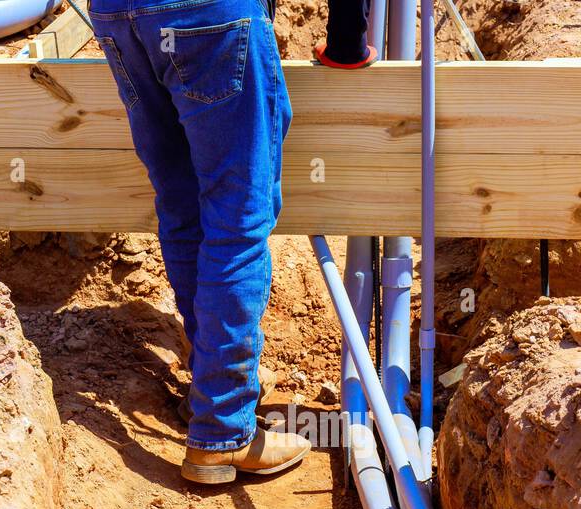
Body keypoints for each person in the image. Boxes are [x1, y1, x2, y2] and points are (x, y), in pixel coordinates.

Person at [89, 0, 376, 484]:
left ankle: (213, 391)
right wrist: (348, 44)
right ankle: (221, 432)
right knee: (236, 221)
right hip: (210, 17)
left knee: (184, 210)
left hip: (119, 15)